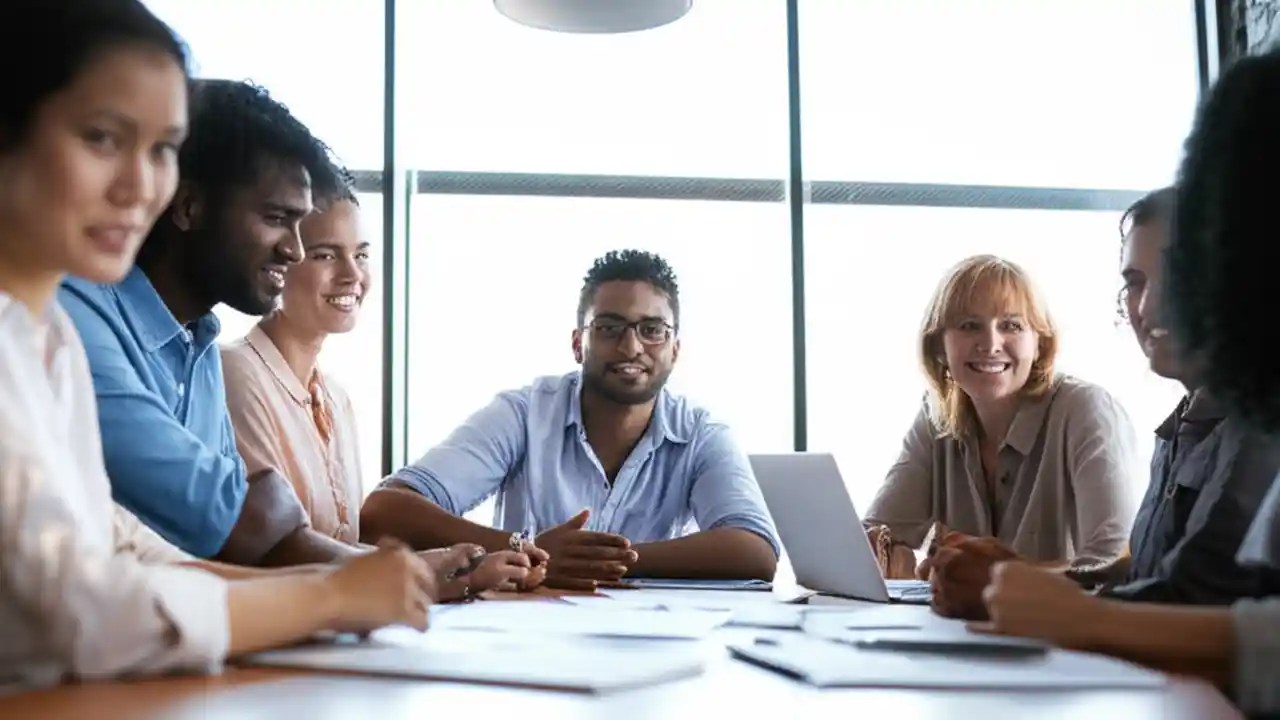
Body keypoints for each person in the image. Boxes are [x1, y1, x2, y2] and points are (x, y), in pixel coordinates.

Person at [0, 0, 440, 689]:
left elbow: (116, 544)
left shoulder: (42, 335)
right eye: (102, 139)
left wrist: (348, 586)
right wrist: (325, 597)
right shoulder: (54, 323)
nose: (140, 186)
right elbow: (74, 610)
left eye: (162, 150)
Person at [978, 49, 1280, 717]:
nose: (1155, 308)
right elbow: (1161, 575)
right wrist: (1044, 588)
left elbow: (1206, 600)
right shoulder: (1197, 420)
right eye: (1136, 284)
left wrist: (1072, 613)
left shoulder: (1253, 426)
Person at [59, 77, 369, 566]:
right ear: (189, 206)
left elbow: (245, 538)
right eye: (276, 219)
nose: (294, 248)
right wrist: (380, 574)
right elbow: (235, 522)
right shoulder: (74, 314)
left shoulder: (198, 341)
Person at [361, 250, 781, 589]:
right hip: (527, 636)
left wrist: (602, 563)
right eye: (610, 327)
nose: (631, 346)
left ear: (675, 349)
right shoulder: (524, 414)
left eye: (652, 329)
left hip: (650, 638)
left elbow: (756, 551)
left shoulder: (701, 433)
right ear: (579, 344)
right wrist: (528, 552)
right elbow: (383, 511)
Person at [221, 192, 544, 596]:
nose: (352, 275)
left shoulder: (336, 400)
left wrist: (462, 564)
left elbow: (338, 548)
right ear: (280, 260)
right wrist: (432, 574)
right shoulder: (235, 374)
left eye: (361, 255)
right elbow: (273, 551)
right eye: (325, 255)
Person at [864, 255, 1138, 580]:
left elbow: (1115, 562)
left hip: (1063, 629)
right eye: (970, 326)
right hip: (959, 630)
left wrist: (993, 580)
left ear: (1040, 344)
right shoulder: (935, 416)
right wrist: (893, 557)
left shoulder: (1085, 410)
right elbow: (874, 535)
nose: (991, 344)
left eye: (1011, 325)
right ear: (939, 346)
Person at [1102, 187, 1280, 604]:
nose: (1146, 308)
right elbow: (1155, 578)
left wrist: (1038, 599)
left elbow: (1193, 599)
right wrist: (1022, 580)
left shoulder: (1263, 423)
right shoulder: (1185, 424)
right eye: (1134, 283)